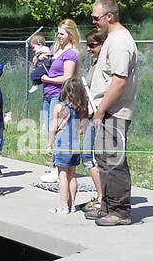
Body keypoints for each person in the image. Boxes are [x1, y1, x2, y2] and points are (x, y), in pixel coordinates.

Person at [86, 0, 138, 226]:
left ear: (109, 16)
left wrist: (101, 111)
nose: (94, 22)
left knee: (113, 160)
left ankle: (120, 211)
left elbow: (119, 82)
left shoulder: (119, 43)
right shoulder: (111, 40)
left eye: (96, 18)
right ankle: (107, 206)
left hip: (114, 112)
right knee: (103, 159)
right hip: (105, 111)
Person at [38, 21, 81, 182]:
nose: (58, 36)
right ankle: (55, 165)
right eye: (58, 33)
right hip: (48, 94)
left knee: (57, 128)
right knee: (49, 129)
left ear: (70, 34)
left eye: (62, 33)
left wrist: (48, 78)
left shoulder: (70, 54)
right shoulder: (56, 49)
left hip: (59, 95)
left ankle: (60, 169)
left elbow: (67, 77)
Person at [49, 77, 91, 214]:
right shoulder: (81, 109)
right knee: (72, 175)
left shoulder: (59, 107)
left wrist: (49, 143)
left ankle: (63, 205)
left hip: (62, 144)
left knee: (62, 175)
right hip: (75, 144)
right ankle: (72, 204)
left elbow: (53, 128)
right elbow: (81, 129)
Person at [78, 28, 107, 213]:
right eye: (87, 45)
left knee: (95, 158)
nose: (89, 48)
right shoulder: (94, 64)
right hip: (90, 116)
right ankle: (101, 195)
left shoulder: (104, 67)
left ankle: (103, 198)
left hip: (100, 117)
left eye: (93, 45)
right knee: (88, 156)